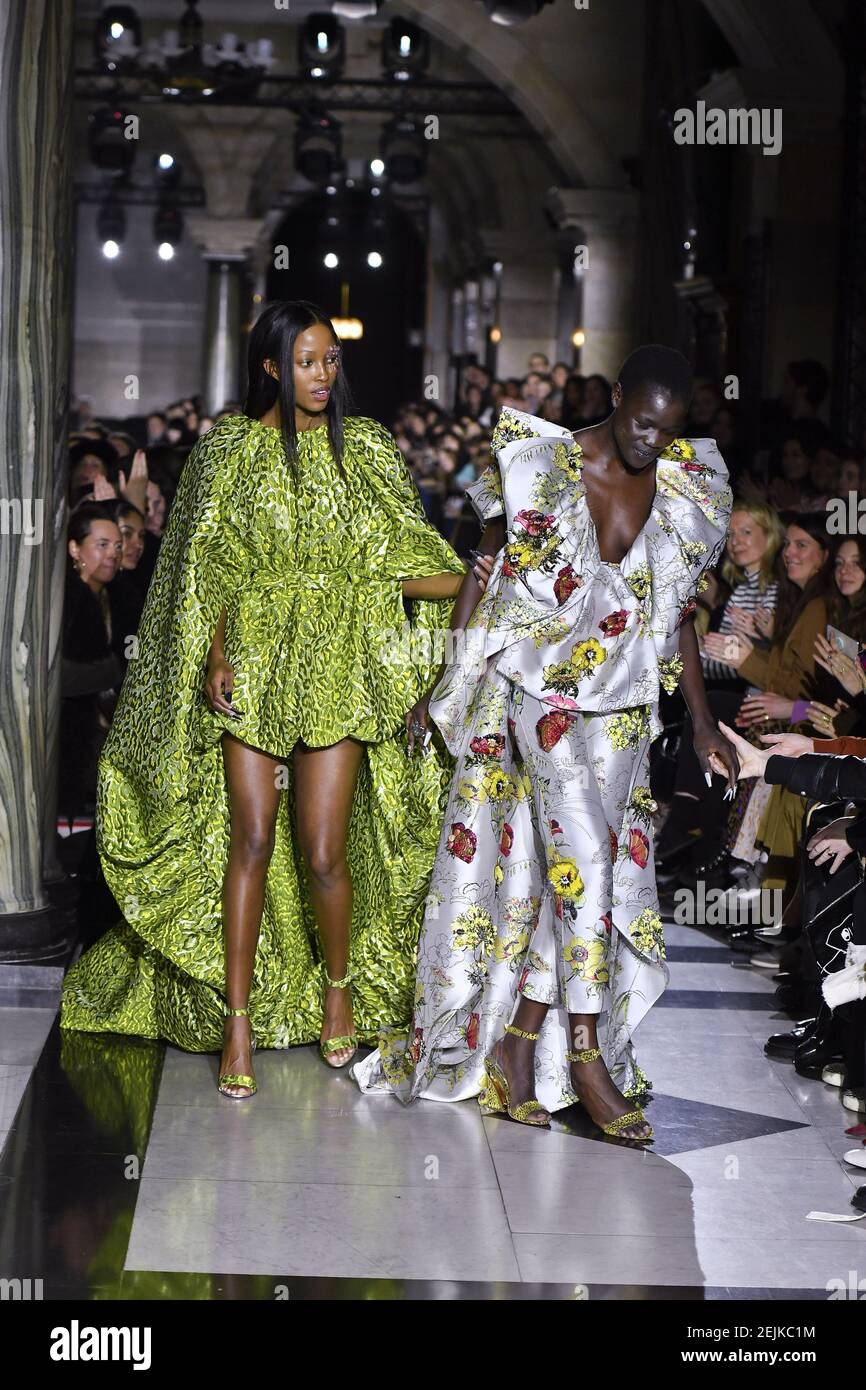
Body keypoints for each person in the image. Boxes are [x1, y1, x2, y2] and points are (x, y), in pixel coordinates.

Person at [60, 299, 491, 1102]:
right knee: (251, 838)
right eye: (305, 361)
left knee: (324, 848)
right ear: (270, 365)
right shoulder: (227, 449)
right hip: (253, 657)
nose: (322, 375)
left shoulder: (365, 447)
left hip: (338, 660)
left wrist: (485, 572)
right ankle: (237, 1019)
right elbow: (203, 570)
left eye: (330, 360)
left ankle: (338, 988)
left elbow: (403, 559)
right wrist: (216, 659)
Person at [354, 343, 736, 1142]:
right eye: (640, 423)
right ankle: (588, 1060)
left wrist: (702, 722)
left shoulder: (685, 487)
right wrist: (448, 677)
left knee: (546, 875)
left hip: (626, 710)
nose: (651, 443)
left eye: (668, 431)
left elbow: (678, 619)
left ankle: (519, 1051)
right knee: (590, 863)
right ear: (616, 395)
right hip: (540, 695)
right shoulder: (537, 464)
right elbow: (482, 567)